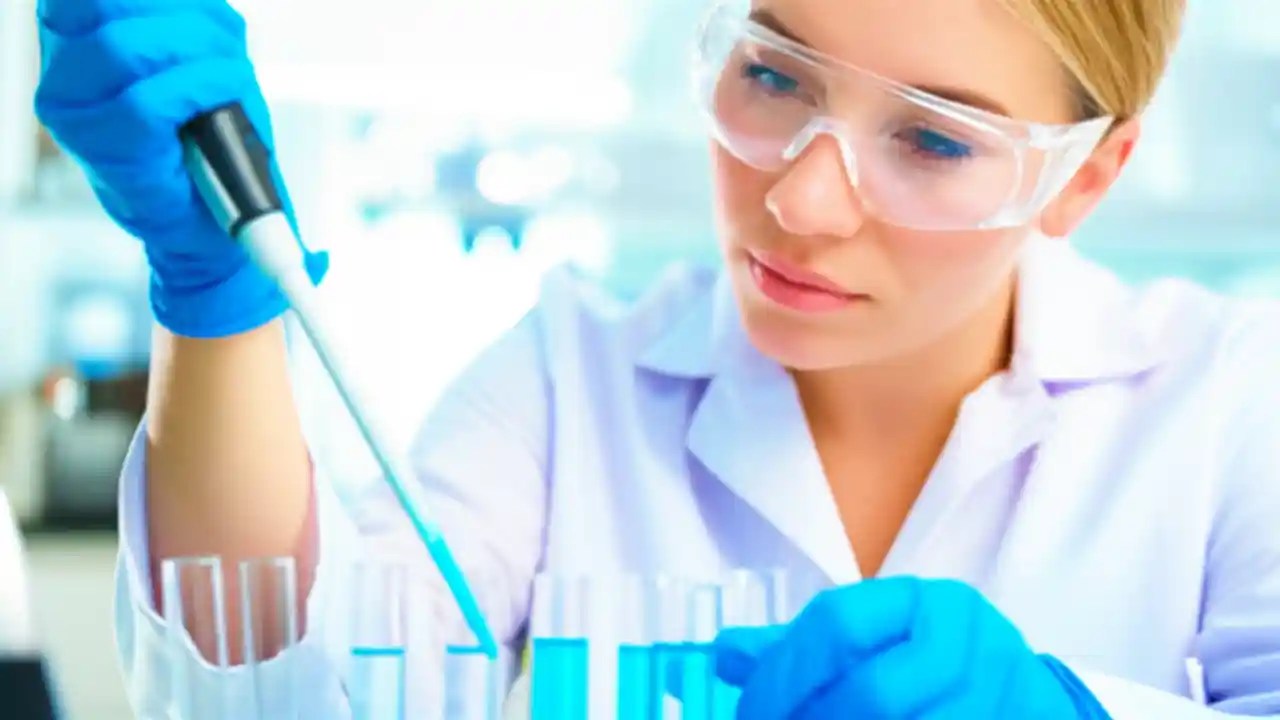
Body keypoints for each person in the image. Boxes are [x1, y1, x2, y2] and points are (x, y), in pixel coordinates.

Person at [33, 0, 1280, 716]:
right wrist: (219, 302)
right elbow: (287, 700)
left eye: (933, 141)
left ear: (1088, 176)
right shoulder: (567, 376)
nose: (798, 200)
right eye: (774, 75)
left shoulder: (1227, 397)